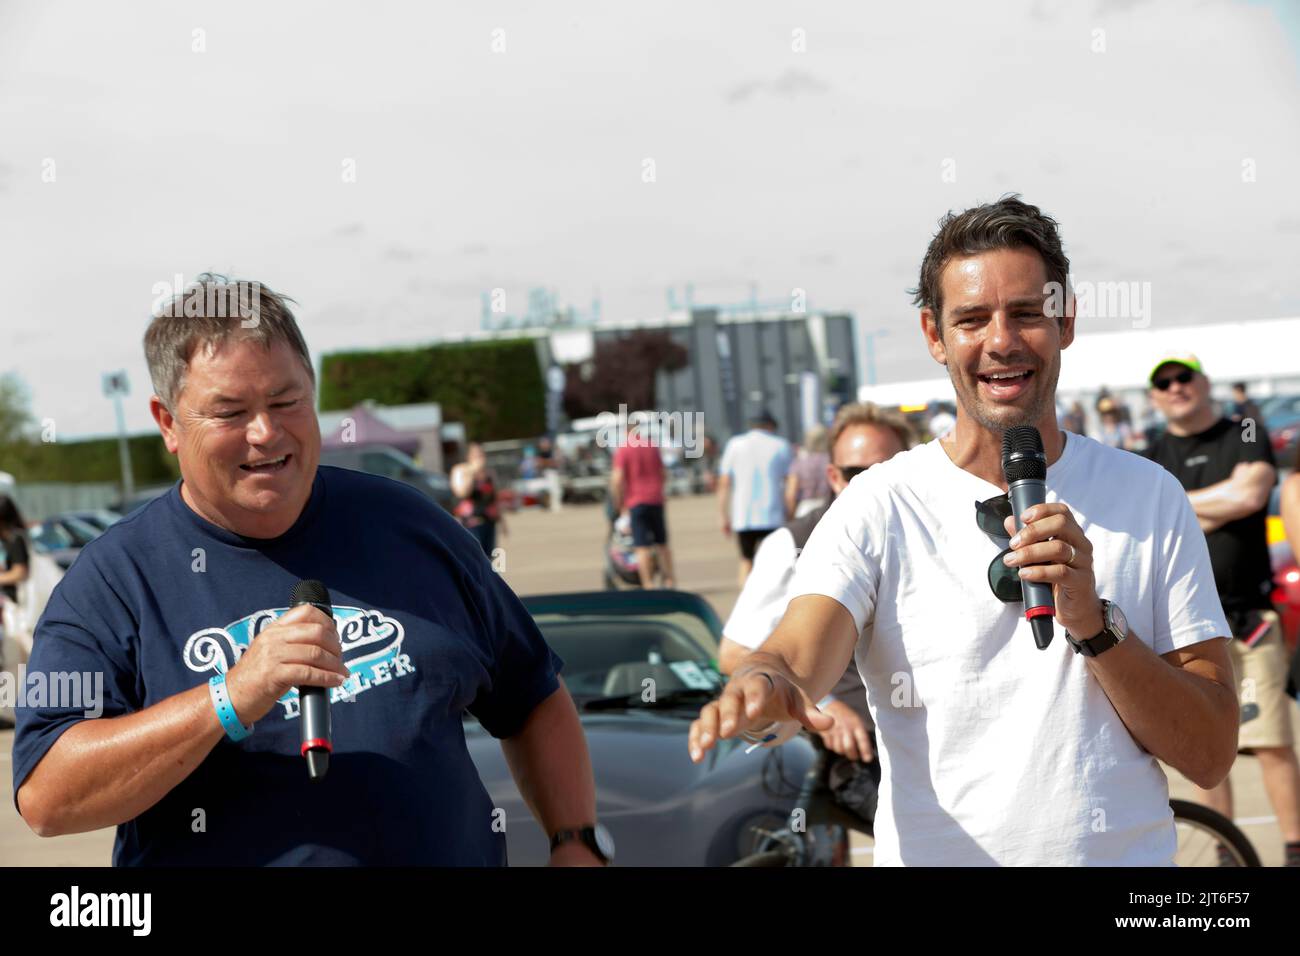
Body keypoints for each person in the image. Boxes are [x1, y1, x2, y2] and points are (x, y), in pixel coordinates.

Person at [689, 196, 1237, 866]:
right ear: (934, 334)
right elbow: (797, 654)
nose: (1001, 341)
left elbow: (1209, 752)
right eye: (972, 319)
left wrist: (1096, 624)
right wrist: (764, 682)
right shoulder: (879, 504)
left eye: (1027, 313)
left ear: (1065, 320)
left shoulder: (1148, 496)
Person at [13, 275, 609, 866]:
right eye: (229, 412)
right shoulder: (112, 581)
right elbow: (48, 794)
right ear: (168, 422)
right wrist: (231, 697)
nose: (266, 432)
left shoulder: (410, 526)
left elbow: (532, 695)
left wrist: (575, 842)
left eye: (285, 401)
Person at [720, 402, 915, 819]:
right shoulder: (792, 544)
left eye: (887, 469)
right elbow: (735, 653)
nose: (871, 485)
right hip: (860, 753)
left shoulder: (934, 534)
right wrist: (822, 703)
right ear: (832, 476)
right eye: (856, 474)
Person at [1144, 353, 1300, 866]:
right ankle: (1225, 854)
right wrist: (1212, 504)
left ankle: (1295, 850)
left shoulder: (1246, 429)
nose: (1175, 387)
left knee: (1271, 740)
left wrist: (1177, 507)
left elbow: (1252, 493)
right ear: (1154, 396)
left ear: (1204, 382)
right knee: (1208, 748)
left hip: (1250, 620)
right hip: (1184, 626)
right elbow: (1149, 523)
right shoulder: (1152, 450)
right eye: (1163, 383)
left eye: (1183, 377)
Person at [717, 410, 794, 587]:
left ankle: (745, 600)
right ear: (770, 425)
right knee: (775, 563)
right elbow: (791, 480)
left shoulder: (735, 444)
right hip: (773, 513)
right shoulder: (780, 445)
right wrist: (790, 510)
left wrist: (722, 514)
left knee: (746, 560)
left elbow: (724, 482)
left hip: (744, 515)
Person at [609, 414, 675, 589]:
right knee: (662, 543)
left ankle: (648, 583)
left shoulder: (624, 449)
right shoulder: (651, 446)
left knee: (642, 545)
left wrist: (618, 501)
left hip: (636, 501)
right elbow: (663, 473)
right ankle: (669, 579)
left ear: (626, 431)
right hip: (656, 498)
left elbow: (617, 479)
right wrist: (660, 490)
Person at [451, 442, 507, 558]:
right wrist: (472, 472)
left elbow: (495, 499)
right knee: (475, 558)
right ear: (469, 456)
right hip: (469, 523)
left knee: (489, 559)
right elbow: (461, 492)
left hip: (488, 522)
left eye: (481, 454)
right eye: (476, 454)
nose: (480, 457)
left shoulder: (489, 473)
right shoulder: (460, 470)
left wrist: (503, 523)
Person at [784, 425, 831, 519]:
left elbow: (790, 494)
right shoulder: (832, 460)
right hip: (828, 507)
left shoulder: (800, 462)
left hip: (805, 509)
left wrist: (791, 515)